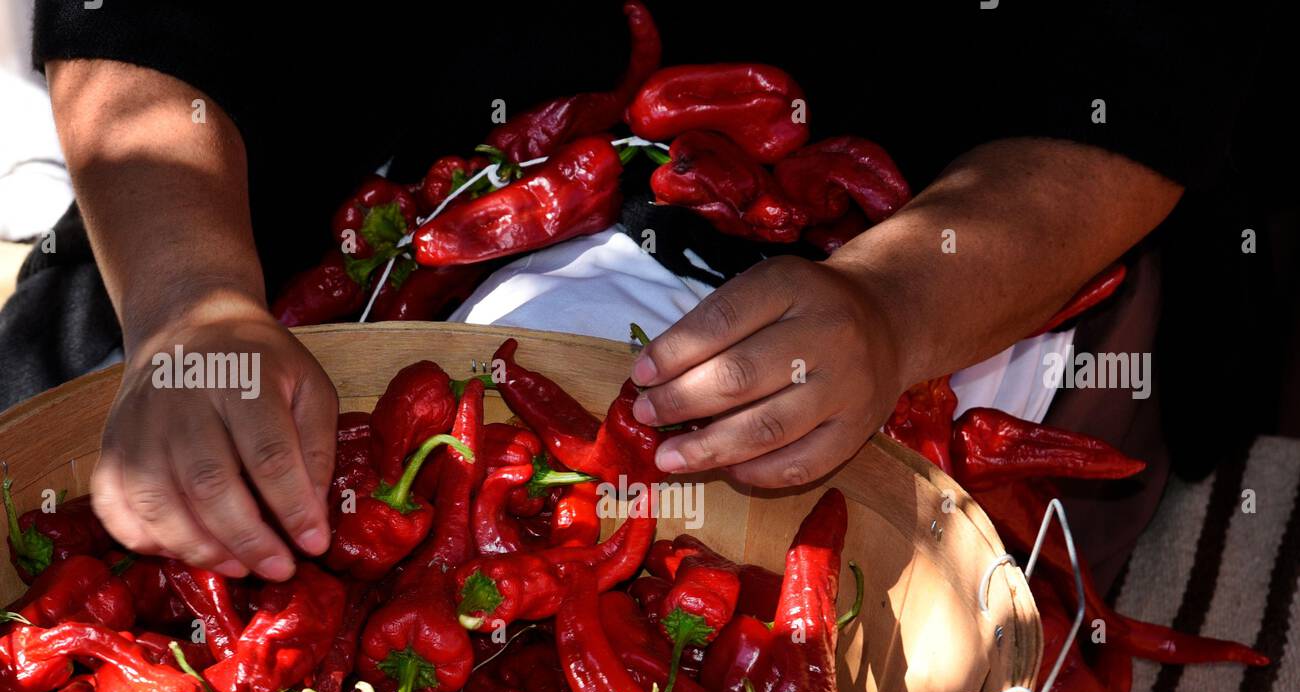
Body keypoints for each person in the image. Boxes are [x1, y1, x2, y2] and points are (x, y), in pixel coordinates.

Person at [11, 2, 1257, 586]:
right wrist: (192, 310)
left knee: (863, 594)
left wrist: (889, 310)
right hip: (347, 183)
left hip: (934, 219)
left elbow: (1142, 80)